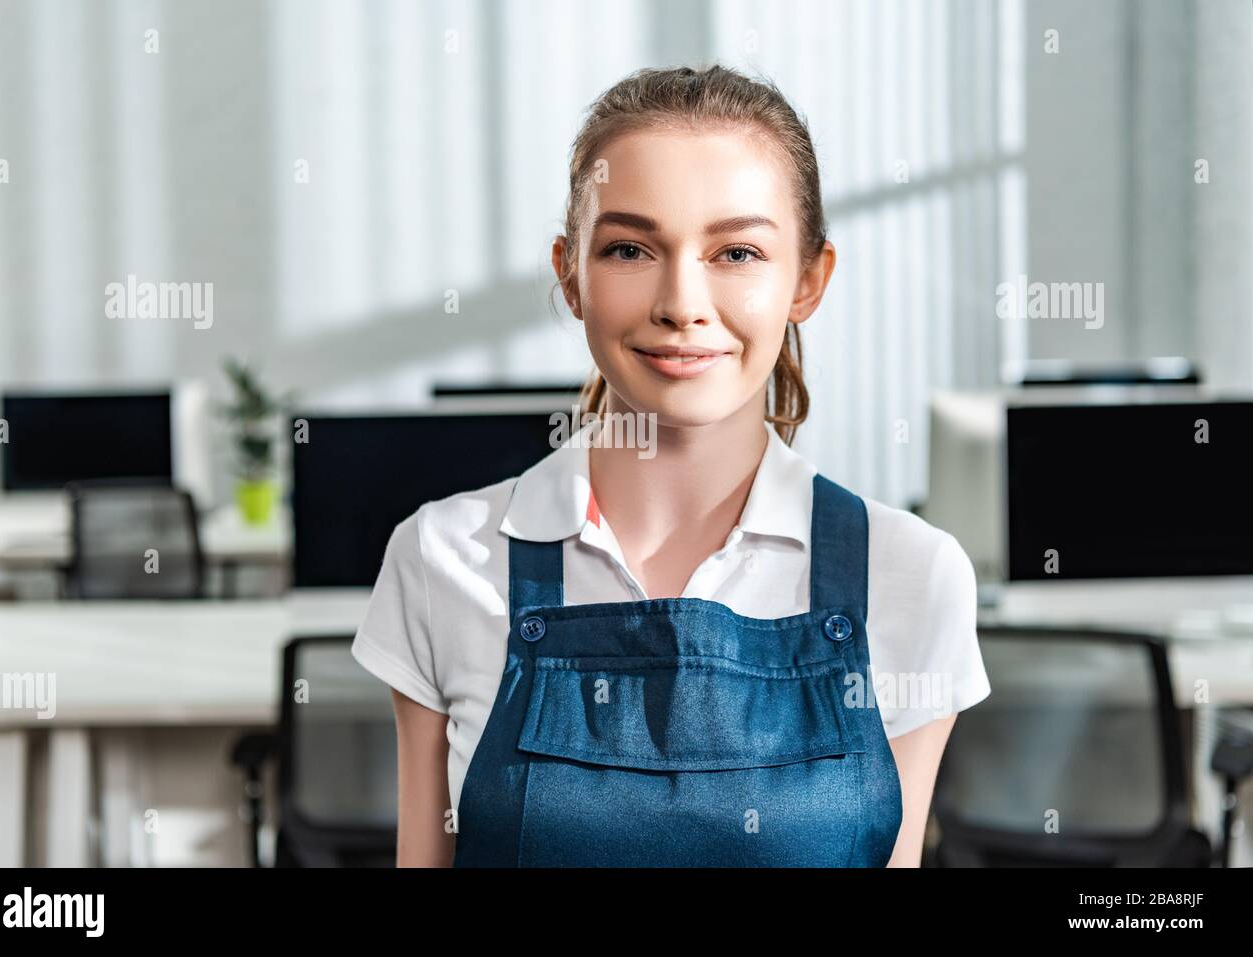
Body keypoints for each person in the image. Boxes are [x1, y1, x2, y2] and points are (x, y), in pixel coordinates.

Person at [352, 64, 990, 867]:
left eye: (737, 252)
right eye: (629, 248)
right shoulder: (443, 558)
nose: (681, 302)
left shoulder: (911, 574)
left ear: (809, 280)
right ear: (571, 275)